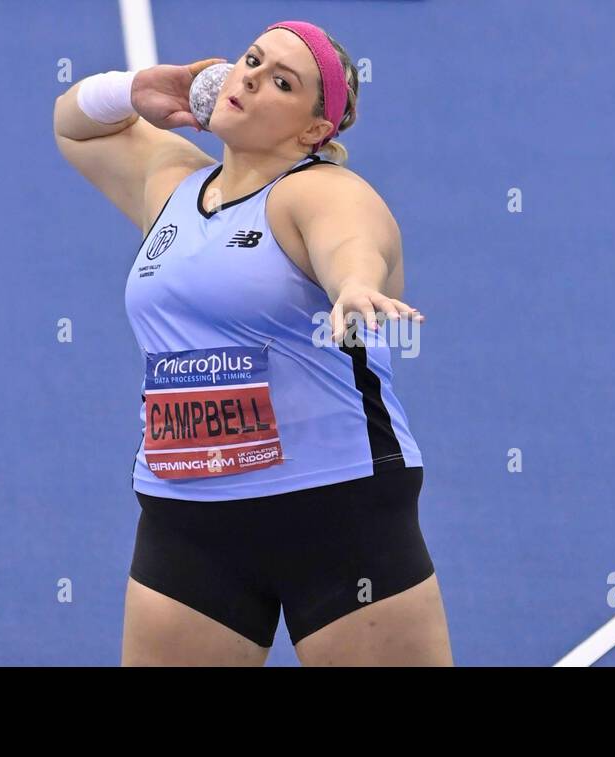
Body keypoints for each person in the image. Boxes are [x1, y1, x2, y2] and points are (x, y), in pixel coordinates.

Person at [53, 20, 452, 666]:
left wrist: (353, 285)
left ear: (313, 131)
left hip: (335, 511)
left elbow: (349, 240)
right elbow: (72, 125)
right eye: (253, 60)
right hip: (189, 518)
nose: (252, 79)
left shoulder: (319, 190)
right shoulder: (172, 183)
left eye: (282, 83)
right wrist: (137, 89)